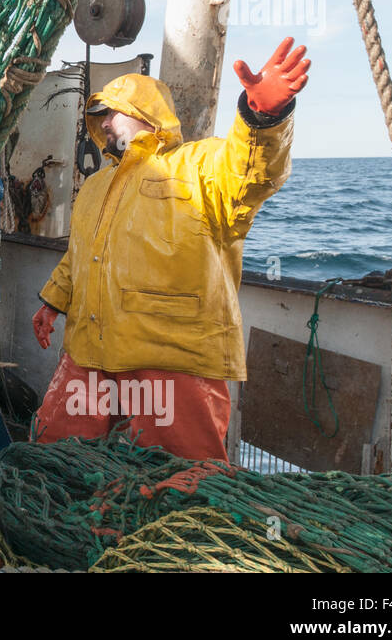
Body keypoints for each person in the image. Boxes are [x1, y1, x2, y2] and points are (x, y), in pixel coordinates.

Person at [29, 37, 310, 461]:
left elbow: (251, 172)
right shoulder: (96, 186)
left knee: (180, 478)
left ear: (146, 116)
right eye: (99, 115)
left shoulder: (198, 166)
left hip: (172, 359)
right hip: (88, 352)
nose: (103, 123)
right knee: (57, 458)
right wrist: (53, 302)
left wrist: (261, 118)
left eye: (113, 113)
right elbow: (80, 255)